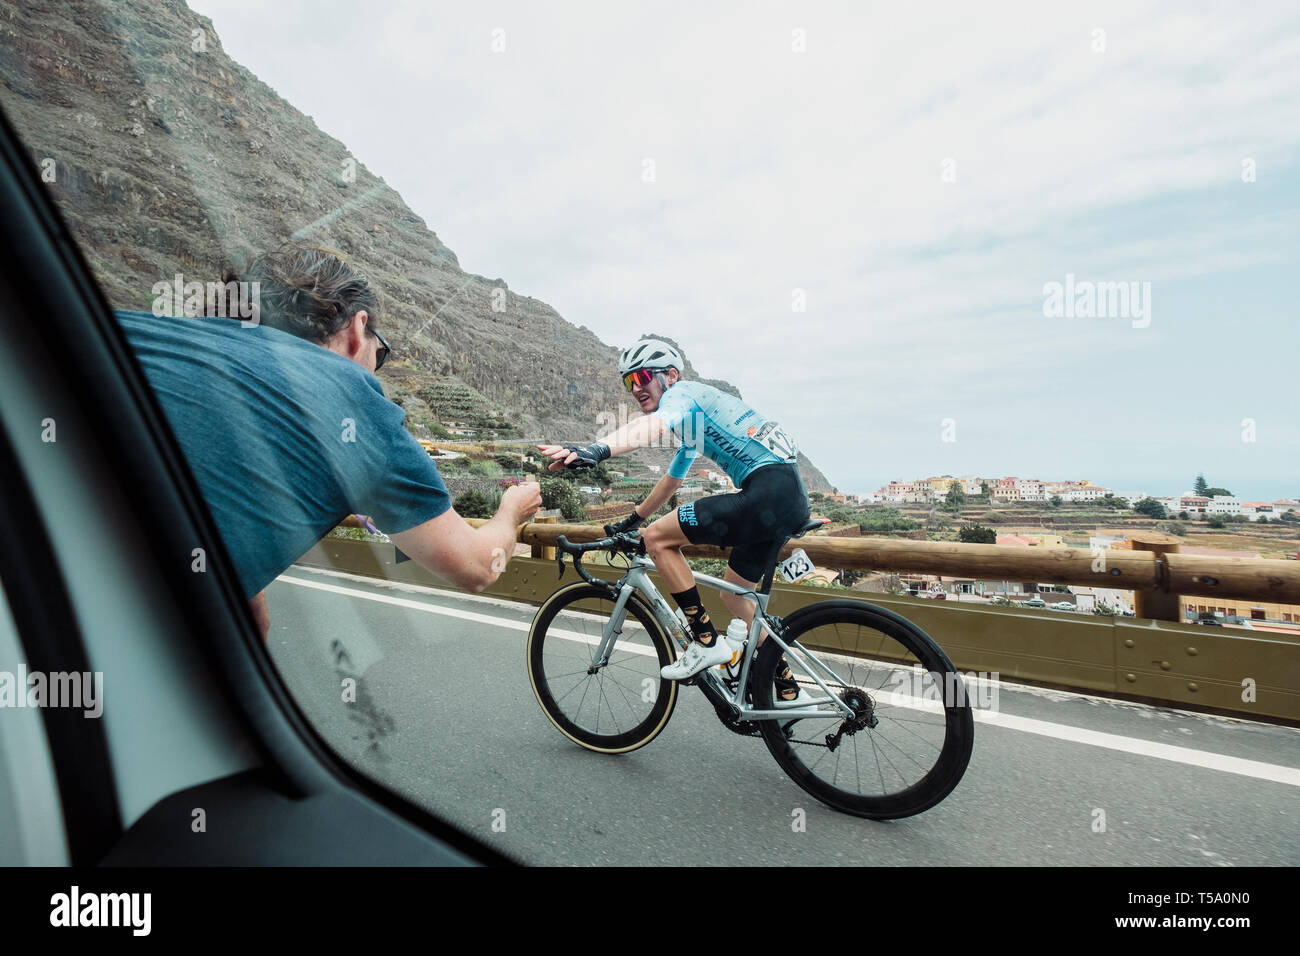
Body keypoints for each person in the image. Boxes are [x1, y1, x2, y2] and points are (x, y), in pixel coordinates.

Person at [115, 244, 541, 639]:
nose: (375, 371)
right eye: (382, 354)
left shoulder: (128, 328)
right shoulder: (352, 401)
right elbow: (477, 567)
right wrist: (510, 512)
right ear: (358, 329)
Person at [538, 338, 810, 699]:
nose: (635, 389)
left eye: (641, 378)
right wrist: (633, 518)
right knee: (736, 596)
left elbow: (651, 428)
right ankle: (789, 689)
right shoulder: (693, 421)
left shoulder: (682, 395)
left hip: (768, 492)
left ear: (669, 375)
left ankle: (705, 642)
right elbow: (673, 480)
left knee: (658, 539)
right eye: (627, 383)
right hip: (786, 497)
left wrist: (596, 450)